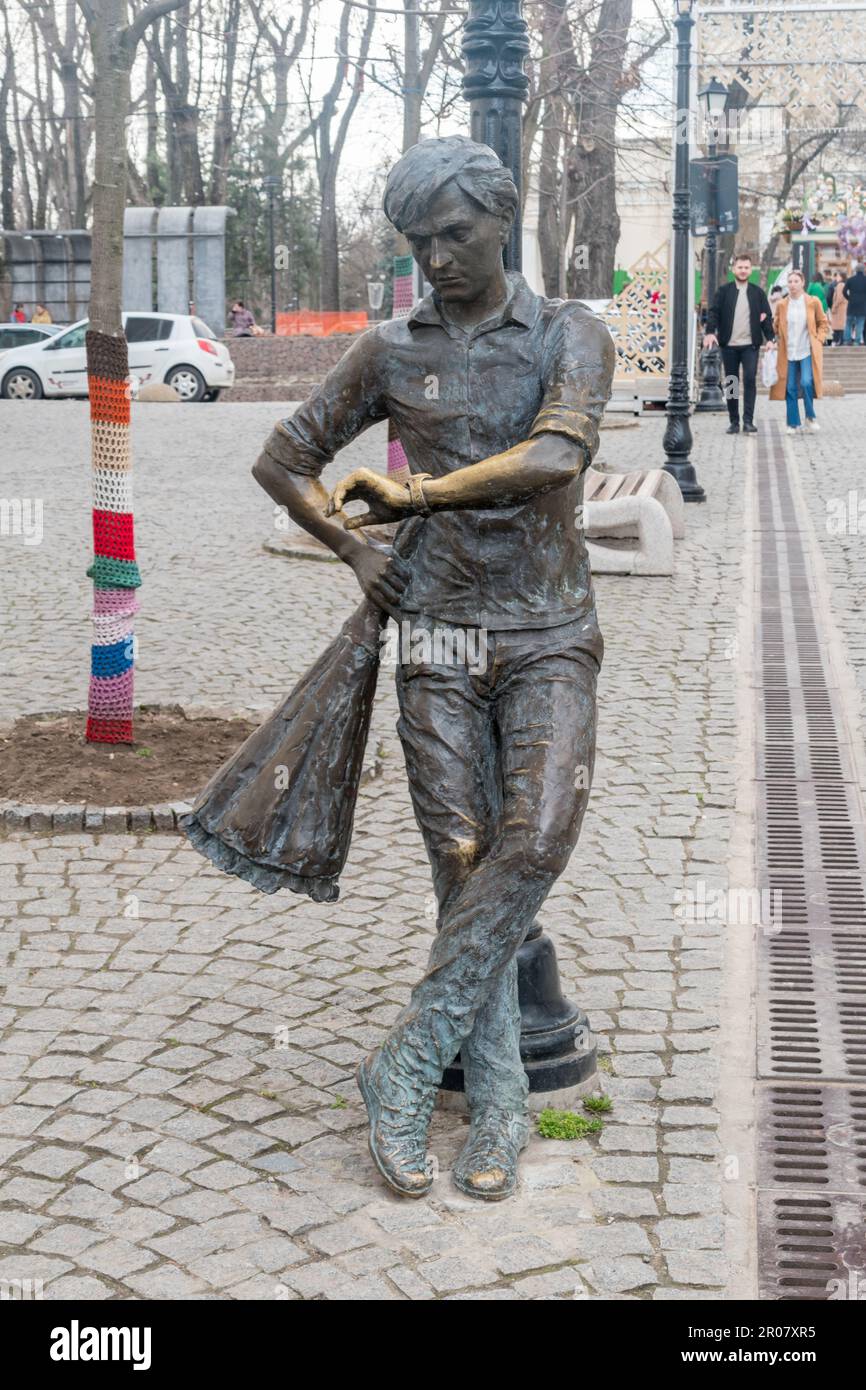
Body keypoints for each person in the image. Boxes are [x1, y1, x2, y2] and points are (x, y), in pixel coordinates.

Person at [250, 136, 615, 1202]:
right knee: (462, 858)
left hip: (547, 626)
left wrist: (414, 498)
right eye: (417, 242)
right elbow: (283, 457)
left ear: (501, 220)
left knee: (536, 832)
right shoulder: (388, 347)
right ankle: (495, 1102)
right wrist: (357, 551)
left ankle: (404, 1058)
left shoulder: (567, 332)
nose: (436, 258)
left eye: (454, 233)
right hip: (439, 635)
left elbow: (558, 452)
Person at [703, 250, 775, 434]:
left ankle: (748, 421)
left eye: (746, 268)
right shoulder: (724, 291)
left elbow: (767, 317)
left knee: (750, 380)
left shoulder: (757, 293)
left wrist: (771, 338)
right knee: (732, 382)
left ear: (751, 270)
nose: (743, 270)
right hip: (729, 346)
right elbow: (713, 313)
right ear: (733, 269)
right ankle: (734, 421)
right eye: (740, 267)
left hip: (750, 345)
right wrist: (710, 332)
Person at [770, 267, 829, 434]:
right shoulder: (782, 304)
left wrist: (819, 339)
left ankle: (810, 416)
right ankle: (792, 423)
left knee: (806, 382)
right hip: (788, 352)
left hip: (807, 351)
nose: (793, 284)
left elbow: (823, 323)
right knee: (790, 387)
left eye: (796, 281)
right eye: (790, 282)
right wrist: (774, 337)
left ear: (803, 283)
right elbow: (776, 325)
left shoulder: (813, 301)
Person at [843, 262, 866, 344]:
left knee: (848, 323)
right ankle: (857, 341)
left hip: (851, 305)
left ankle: (847, 340)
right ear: (864, 270)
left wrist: (849, 298)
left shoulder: (850, 280)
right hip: (862, 306)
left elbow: (844, 291)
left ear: (855, 270)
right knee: (860, 323)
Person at [828, 272, 847, 346]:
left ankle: (839, 341)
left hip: (839, 309)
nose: (836, 278)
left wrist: (834, 307)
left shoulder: (840, 285)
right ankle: (840, 340)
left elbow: (839, 298)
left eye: (838, 276)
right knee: (840, 325)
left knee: (838, 326)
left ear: (841, 277)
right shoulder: (844, 284)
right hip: (842, 308)